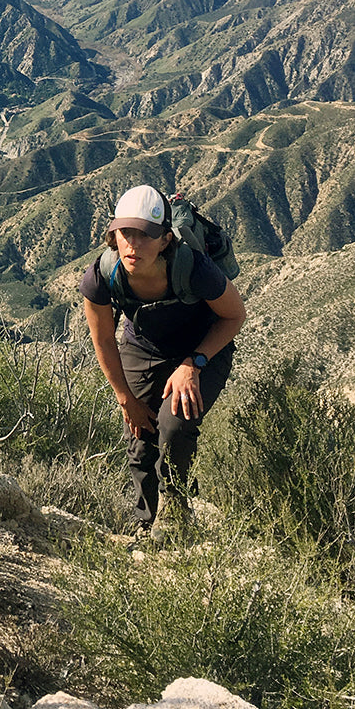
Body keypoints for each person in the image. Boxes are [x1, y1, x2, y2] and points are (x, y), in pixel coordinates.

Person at [80, 184, 245, 543]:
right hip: (144, 346)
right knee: (139, 437)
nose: (134, 244)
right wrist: (126, 399)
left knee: (174, 423)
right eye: (126, 233)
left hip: (203, 345)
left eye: (146, 235)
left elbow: (234, 317)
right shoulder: (101, 277)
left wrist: (193, 363)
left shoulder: (194, 268)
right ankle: (146, 525)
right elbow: (104, 340)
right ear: (113, 235)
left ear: (165, 239)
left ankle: (175, 512)